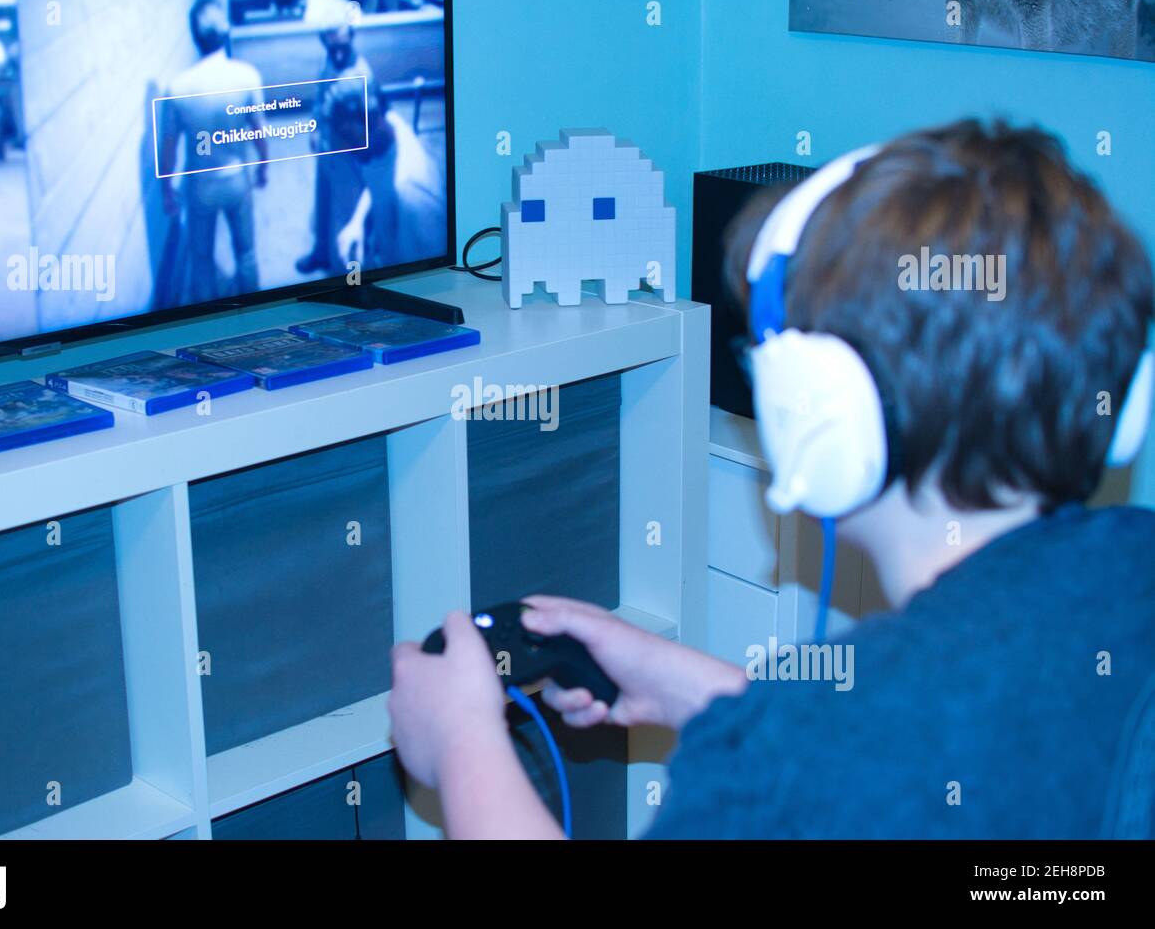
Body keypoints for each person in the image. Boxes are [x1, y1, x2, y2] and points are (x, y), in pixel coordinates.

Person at [388, 119, 1155, 839]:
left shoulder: (774, 775)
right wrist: (704, 693)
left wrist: (462, 747)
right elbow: (926, 747)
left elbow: (850, 756)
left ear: (818, 410)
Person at [158, 0, 267, 301]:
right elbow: (260, 131)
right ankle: (257, 312)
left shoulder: (177, 87)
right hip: (236, 178)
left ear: (194, 37)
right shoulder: (246, 75)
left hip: (200, 185)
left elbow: (168, 146)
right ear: (224, 33)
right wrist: (264, 165)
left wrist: (166, 190)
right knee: (246, 253)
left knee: (201, 258)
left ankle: (209, 319)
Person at [331, 89, 446, 271]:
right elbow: (380, 178)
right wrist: (357, 221)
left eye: (349, 137)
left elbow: (426, 274)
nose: (345, 148)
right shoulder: (388, 128)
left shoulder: (412, 196)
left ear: (376, 121)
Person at [295, 23, 376, 275]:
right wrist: (315, 129)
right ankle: (321, 253)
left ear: (351, 36)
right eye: (330, 41)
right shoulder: (330, 61)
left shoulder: (360, 73)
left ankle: (348, 271)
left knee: (346, 210)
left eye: (340, 41)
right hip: (327, 146)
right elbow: (320, 97)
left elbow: (365, 119)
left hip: (349, 153)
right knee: (323, 203)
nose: (336, 49)